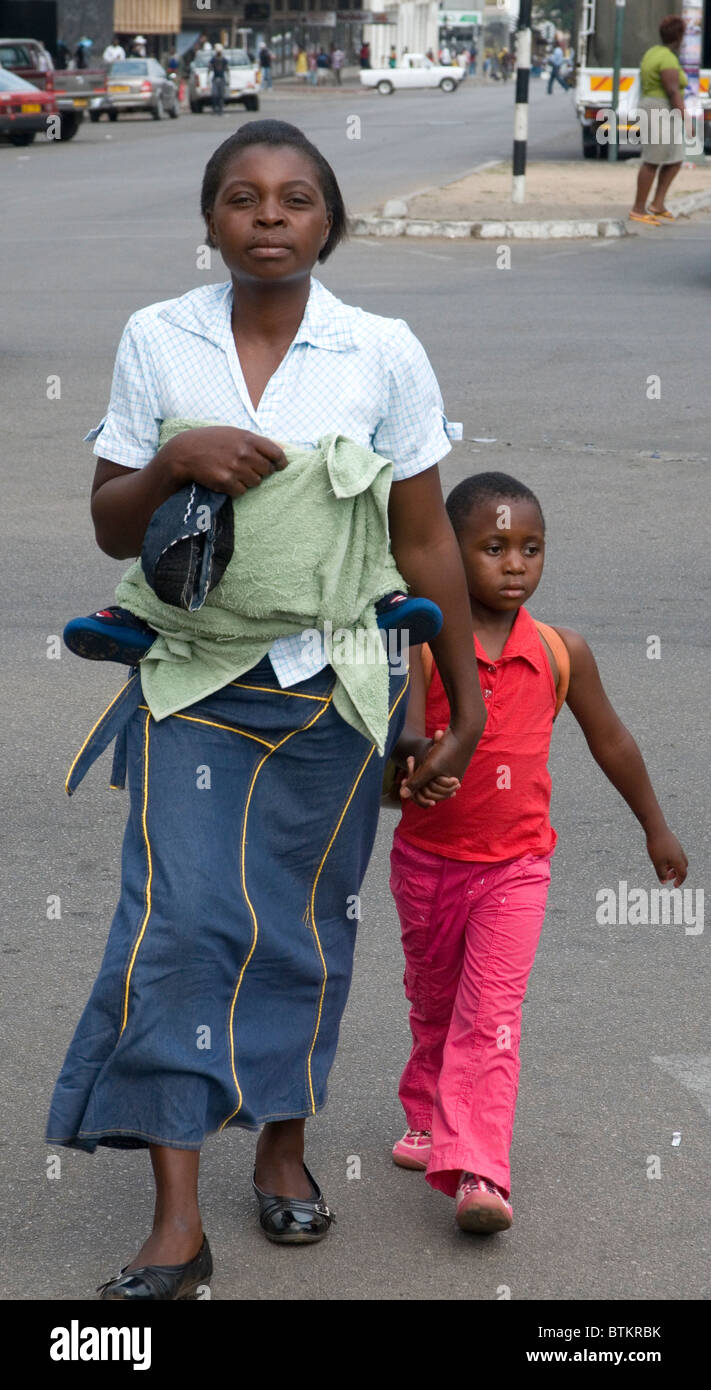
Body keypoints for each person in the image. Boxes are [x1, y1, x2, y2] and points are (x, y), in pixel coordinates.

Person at [45, 118, 486, 1300]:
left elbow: (424, 534)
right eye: (243, 198)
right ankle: (177, 1220)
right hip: (190, 676)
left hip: (340, 683)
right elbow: (111, 522)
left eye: (296, 199)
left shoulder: (380, 349)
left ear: (329, 221)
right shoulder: (158, 339)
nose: (271, 217)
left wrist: (464, 694)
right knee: (180, 926)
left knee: (303, 925)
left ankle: (283, 1134)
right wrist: (173, 457)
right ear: (209, 224)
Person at [388, 472, 688, 1233]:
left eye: (530, 548)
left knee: (490, 1015)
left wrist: (653, 825)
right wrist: (409, 772)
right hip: (426, 865)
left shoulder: (560, 652)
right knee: (434, 1001)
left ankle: (479, 1170)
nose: (515, 564)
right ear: (450, 559)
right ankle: (425, 1113)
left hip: (515, 869)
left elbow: (610, 740)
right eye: (492, 548)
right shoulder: (422, 651)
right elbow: (388, 750)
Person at [630, 15, 688, 225]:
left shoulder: (652, 53)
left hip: (657, 108)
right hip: (658, 108)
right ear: (679, 36)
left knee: (675, 157)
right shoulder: (667, 59)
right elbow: (672, 90)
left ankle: (658, 203)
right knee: (652, 159)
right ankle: (638, 208)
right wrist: (685, 117)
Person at [209, 43, 230, 115]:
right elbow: (209, 68)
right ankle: (215, 108)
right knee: (215, 94)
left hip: (222, 78)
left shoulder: (224, 60)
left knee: (221, 95)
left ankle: (220, 109)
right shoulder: (213, 59)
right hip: (215, 78)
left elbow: (227, 70)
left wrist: (228, 79)